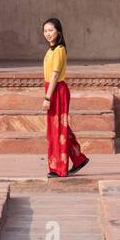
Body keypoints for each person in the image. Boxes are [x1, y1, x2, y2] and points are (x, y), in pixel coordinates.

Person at [42, 16, 90, 179]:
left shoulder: (60, 50)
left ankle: (59, 168)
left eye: (51, 30)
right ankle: (78, 159)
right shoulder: (51, 50)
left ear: (58, 31)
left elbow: (55, 75)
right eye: (45, 30)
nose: (48, 33)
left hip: (57, 90)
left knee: (58, 129)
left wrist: (47, 98)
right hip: (51, 88)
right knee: (59, 128)